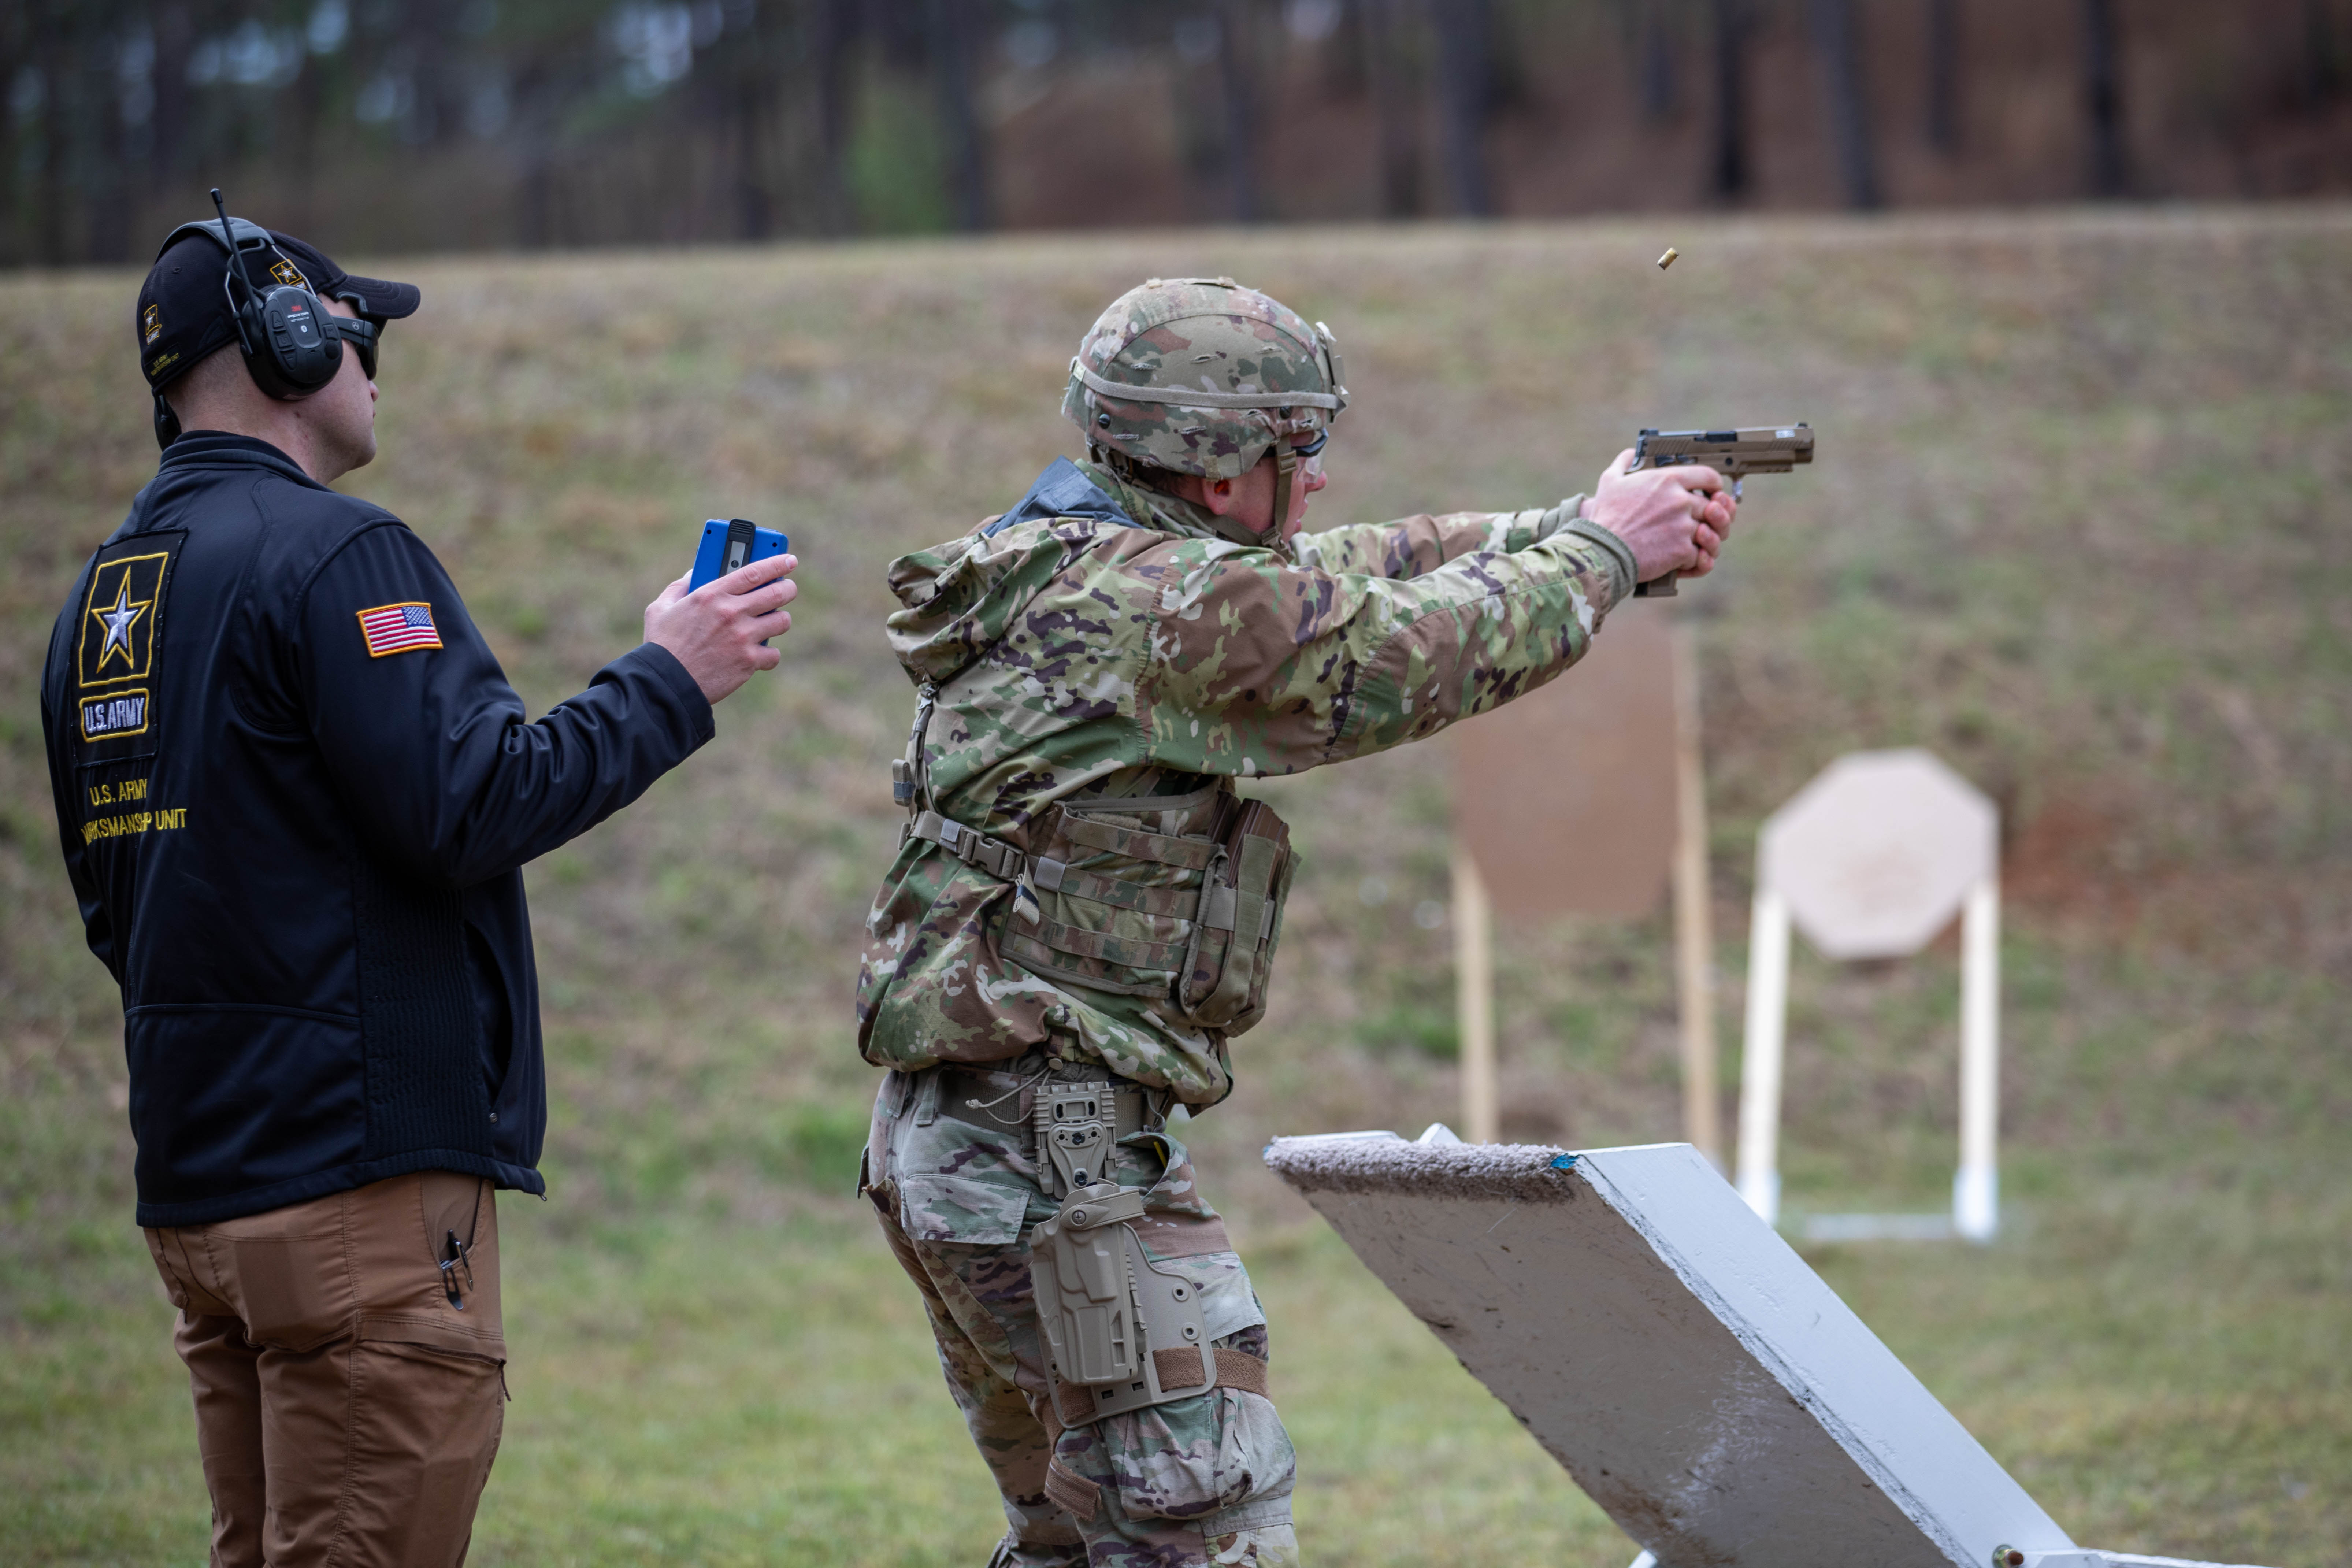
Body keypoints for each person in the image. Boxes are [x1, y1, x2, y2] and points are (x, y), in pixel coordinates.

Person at [853, 277, 1739, 1568]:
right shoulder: (1176, 608)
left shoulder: (1080, 562)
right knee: (1198, 1533)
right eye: (1298, 447)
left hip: (977, 1143)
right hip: (1055, 1160)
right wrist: (1605, 557)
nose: (1317, 477)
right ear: (1220, 471)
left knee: (1076, 1538)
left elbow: (1353, 571)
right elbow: (1397, 654)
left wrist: (1581, 521)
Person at [38, 208, 798, 1568]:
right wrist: (675, 674)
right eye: (354, 329)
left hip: (204, 1195)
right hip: (353, 1199)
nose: (374, 360)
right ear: (281, 341)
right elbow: (479, 800)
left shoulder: (104, 598)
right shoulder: (339, 555)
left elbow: (118, 904)